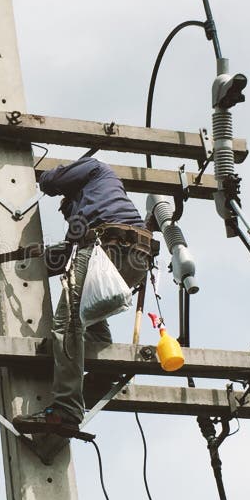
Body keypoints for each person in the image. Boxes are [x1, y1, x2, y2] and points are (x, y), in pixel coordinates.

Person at [13, 156, 154, 436]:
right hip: (137, 258)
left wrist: (37, 175)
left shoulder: (95, 167)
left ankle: (65, 409)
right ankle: (104, 369)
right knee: (88, 310)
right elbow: (71, 254)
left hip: (109, 247)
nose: (66, 212)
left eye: (67, 206)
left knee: (66, 324)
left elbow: (50, 181)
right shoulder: (102, 204)